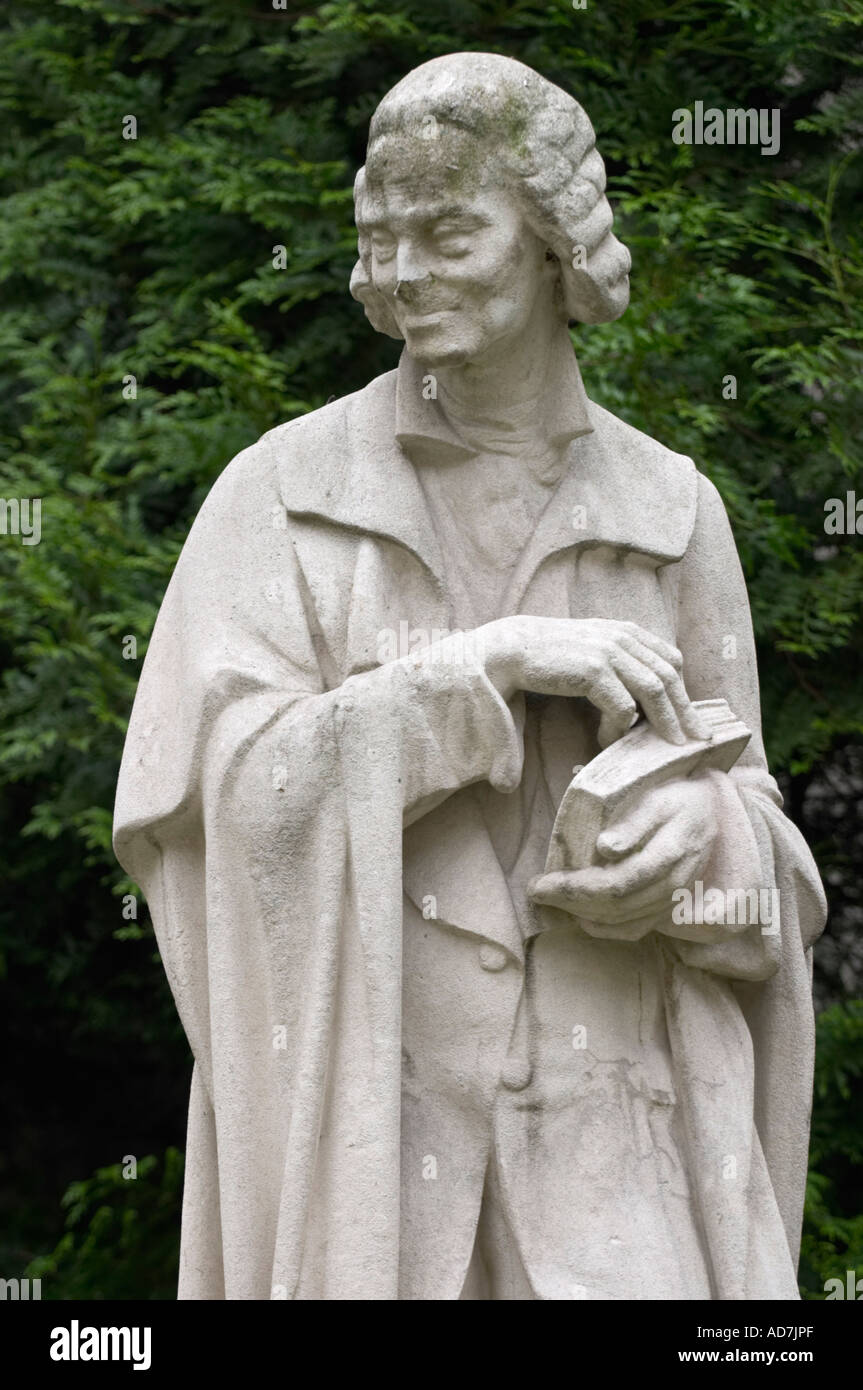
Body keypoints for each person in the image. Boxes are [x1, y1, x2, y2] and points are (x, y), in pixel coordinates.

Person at [114, 52, 826, 1299]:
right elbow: (205, 810)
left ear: (552, 240)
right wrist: (471, 675)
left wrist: (700, 844)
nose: (403, 274)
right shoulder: (281, 497)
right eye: (382, 237)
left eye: (450, 232)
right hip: (371, 1167)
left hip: (621, 1160)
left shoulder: (670, 511)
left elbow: (767, 855)